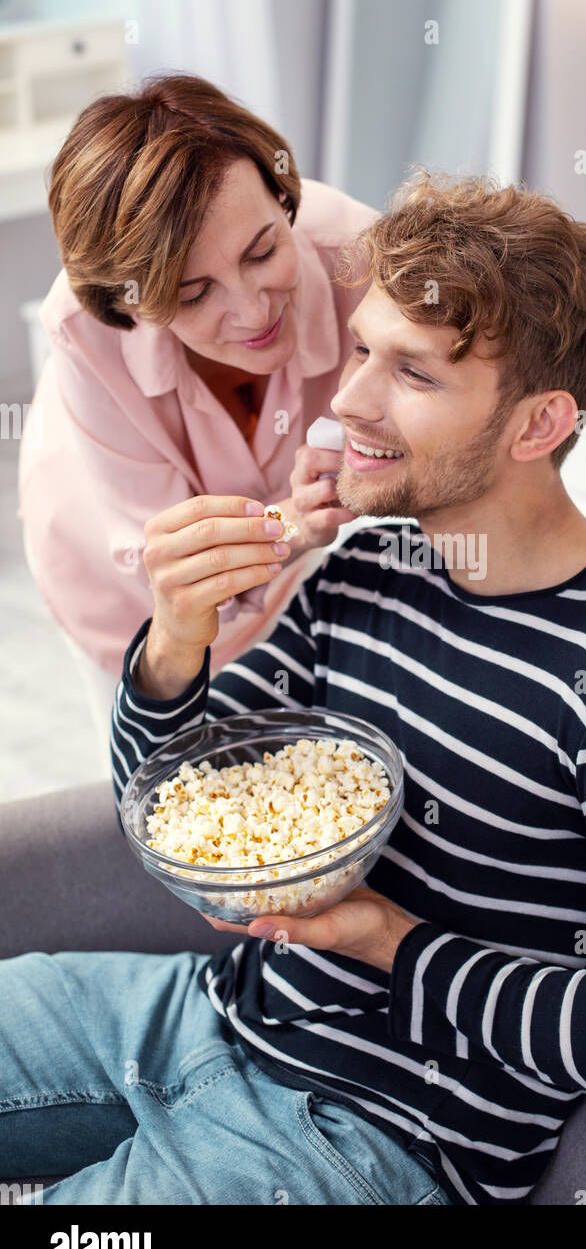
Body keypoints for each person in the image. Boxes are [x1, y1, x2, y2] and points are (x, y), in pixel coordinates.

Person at [3, 171, 586, 1206]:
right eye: (361, 347)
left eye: (410, 371)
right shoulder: (367, 570)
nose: (345, 400)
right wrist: (178, 639)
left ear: (537, 424)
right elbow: (173, 813)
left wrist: (387, 940)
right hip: (211, 1013)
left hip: (371, 1135)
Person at [17, 73, 372, 762]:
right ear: (130, 306)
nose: (252, 310)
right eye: (192, 293)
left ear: (282, 194)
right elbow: (175, 574)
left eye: (263, 252)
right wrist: (292, 525)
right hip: (114, 564)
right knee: (155, 777)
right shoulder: (86, 328)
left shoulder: (358, 252)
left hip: (282, 559)